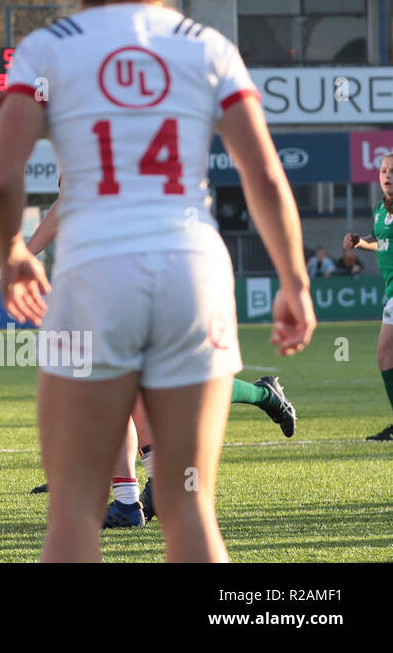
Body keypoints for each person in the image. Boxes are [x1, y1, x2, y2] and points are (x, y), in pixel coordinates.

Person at [0, 0, 315, 563]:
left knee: (74, 512)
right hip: (193, 269)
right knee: (190, 504)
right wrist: (295, 281)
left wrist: (14, 253)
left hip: (93, 274)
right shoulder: (206, 43)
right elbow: (267, 179)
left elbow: (1, 182)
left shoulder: (47, 47)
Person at [25, 198, 298, 527]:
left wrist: (23, 255)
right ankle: (131, 487)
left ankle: (125, 489)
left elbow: (70, 200)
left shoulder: (103, 162)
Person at [344, 151, 393, 441]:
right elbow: (381, 240)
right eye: (384, 170)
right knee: (385, 357)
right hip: (390, 291)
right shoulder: (379, 209)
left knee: (385, 355)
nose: (387, 175)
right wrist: (361, 242)